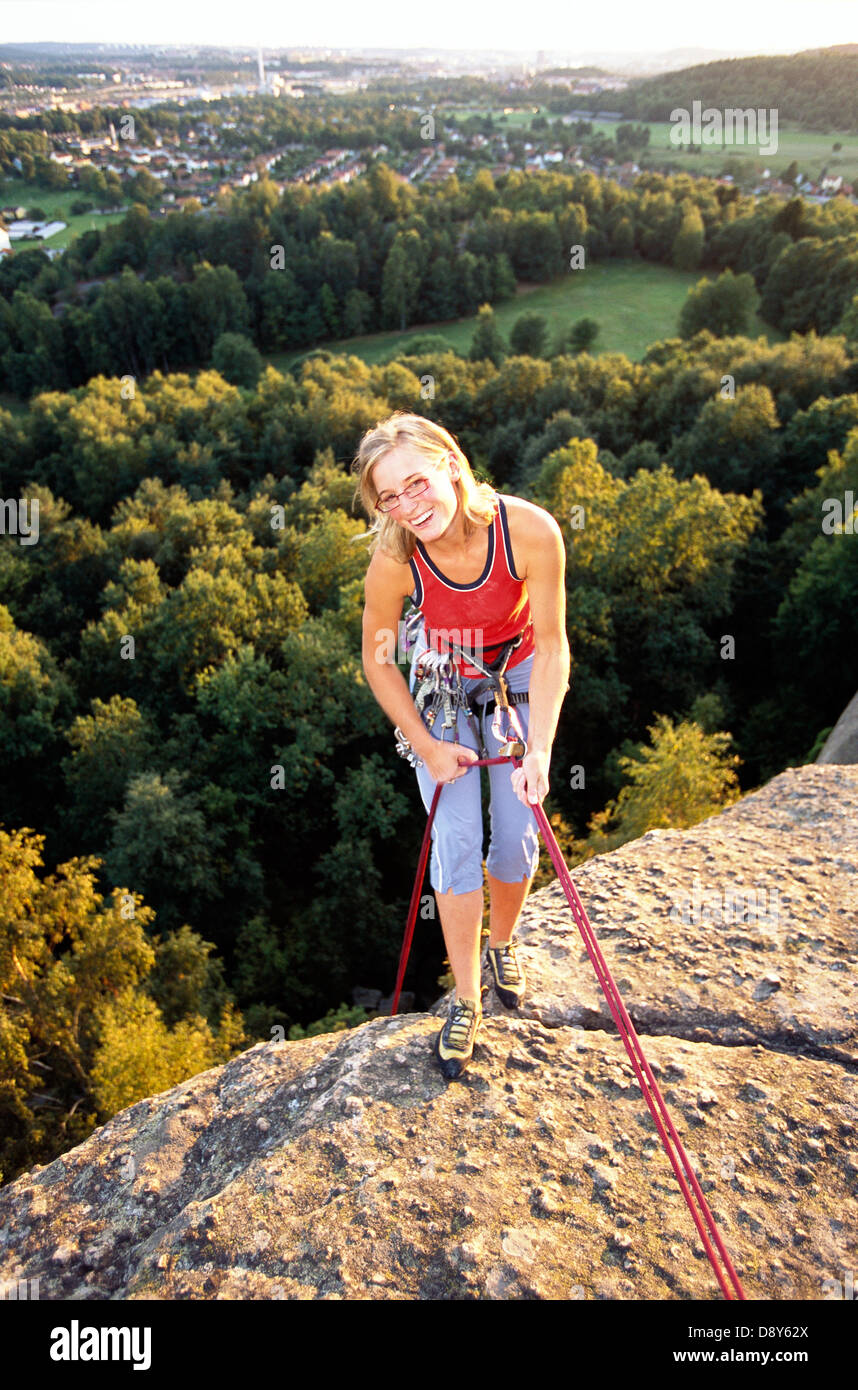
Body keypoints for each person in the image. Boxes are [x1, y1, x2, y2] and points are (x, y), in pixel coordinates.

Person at [353, 412, 570, 1079]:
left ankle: (502, 943)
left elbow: (555, 642)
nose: (406, 506)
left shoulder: (528, 531)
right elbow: (378, 659)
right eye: (389, 497)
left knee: (512, 840)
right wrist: (425, 746)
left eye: (415, 483)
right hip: (442, 682)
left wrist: (538, 749)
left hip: (518, 673)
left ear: (451, 464)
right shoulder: (397, 560)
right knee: (455, 844)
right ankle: (468, 998)